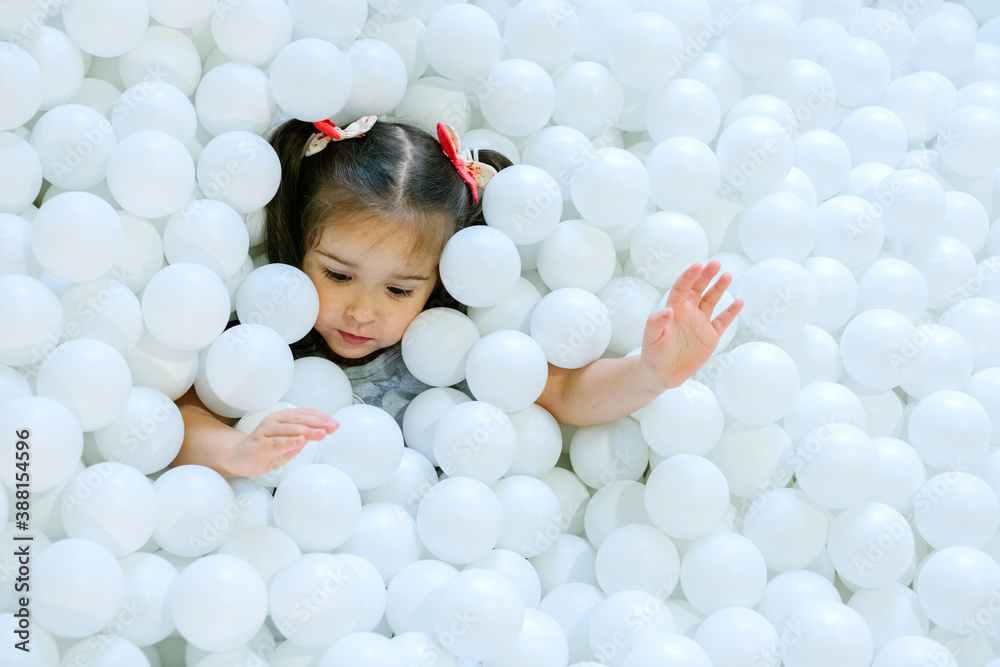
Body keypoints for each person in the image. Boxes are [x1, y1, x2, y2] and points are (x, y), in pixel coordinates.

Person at [172, 115, 744, 478]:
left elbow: (565, 392)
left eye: (399, 288)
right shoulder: (264, 336)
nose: (363, 311)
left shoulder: (454, 345)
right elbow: (183, 416)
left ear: (441, 277)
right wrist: (235, 453)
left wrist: (650, 373)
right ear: (298, 247)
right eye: (338, 275)